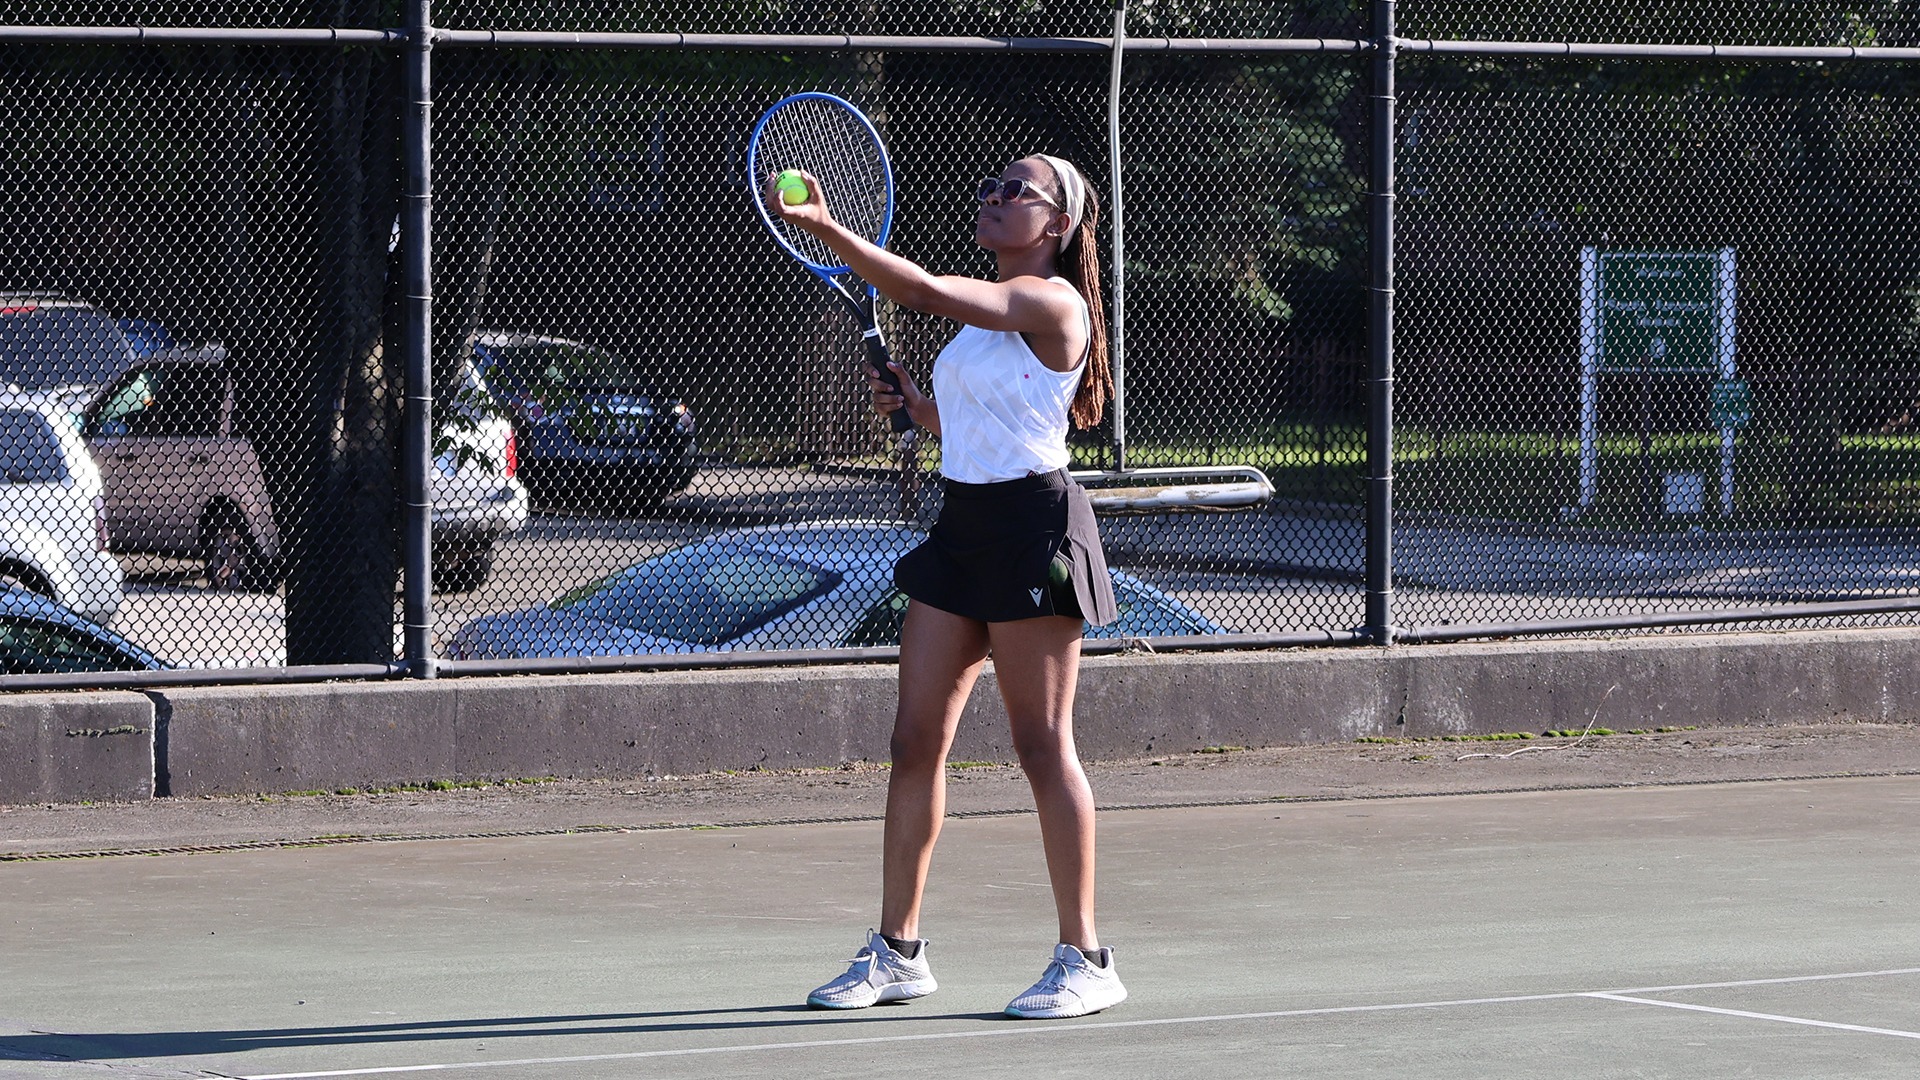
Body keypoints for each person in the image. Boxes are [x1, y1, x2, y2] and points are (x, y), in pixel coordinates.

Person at [764, 154, 1126, 1020]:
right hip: (961, 530)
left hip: (1032, 530)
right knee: (914, 739)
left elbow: (923, 290)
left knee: (1042, 746)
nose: (995, 197)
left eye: (1019, 192)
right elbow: (962, 416)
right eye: (990, 184)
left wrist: (823, 229)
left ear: (1060, 227)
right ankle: (898, 951)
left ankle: (1086, 958)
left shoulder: (1052, 303)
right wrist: (918, 407)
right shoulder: (982, 327)